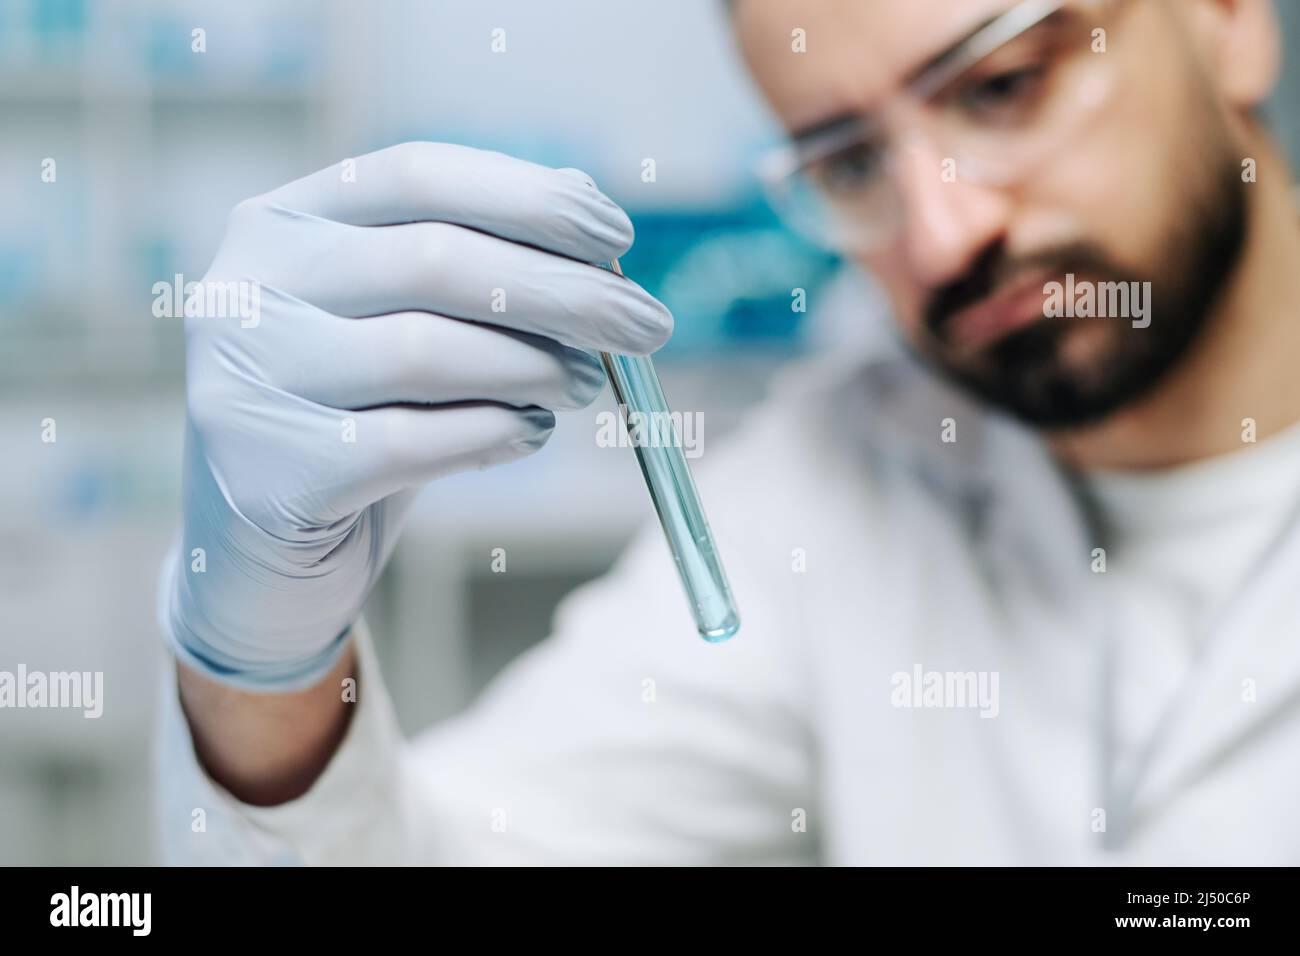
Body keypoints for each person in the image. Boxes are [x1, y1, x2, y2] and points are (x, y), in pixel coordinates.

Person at [157, 0, 1300, 864]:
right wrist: (262, 662)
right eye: (849, 160)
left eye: (999, 87)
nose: (945, 235)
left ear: (1231, 20)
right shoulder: (839, 476)